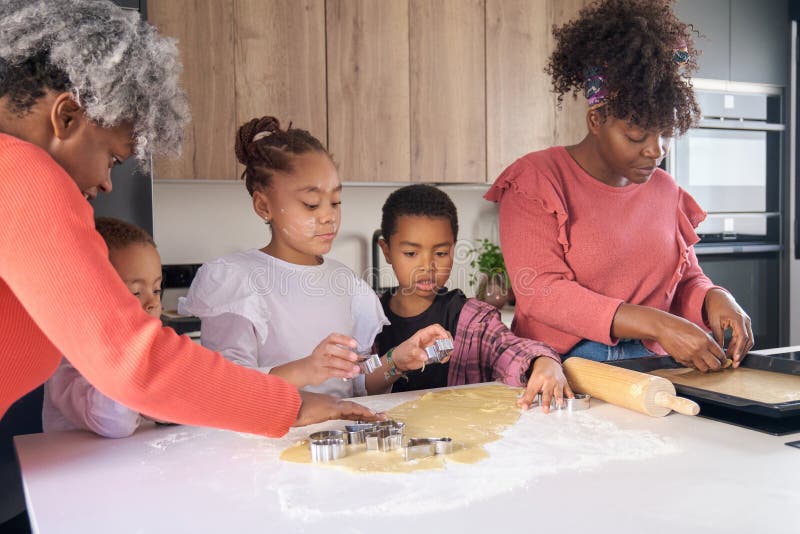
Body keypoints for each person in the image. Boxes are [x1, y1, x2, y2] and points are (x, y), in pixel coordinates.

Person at [0, 0, 382, 436]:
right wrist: (287, 405)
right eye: (113, 158)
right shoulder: (23, 174)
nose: (107, 183)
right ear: (66, 117)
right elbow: (134, 364)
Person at [484, 0, 753, 373]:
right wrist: (658, 323)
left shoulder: (664, 190)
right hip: (558, 370)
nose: (655, 150)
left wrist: (715, 298)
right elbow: (542, 293)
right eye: (637, 135)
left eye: (666, 133)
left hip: (651, 366)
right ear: (596, 119)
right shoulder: (538, 180)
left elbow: (685, 275)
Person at [179, 117, 448, 398]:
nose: (328, 216)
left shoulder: (344, 282)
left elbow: (355, 383)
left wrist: (397, 361)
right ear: (263, 206)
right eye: (311, 204)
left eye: (335, 202)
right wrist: (307, 369)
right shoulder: (235, 279)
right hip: (268, 442)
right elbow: (227, 389)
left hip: (336, 437)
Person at [373, 184, 572, 411]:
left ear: (453, 250)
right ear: (386, 250)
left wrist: (543, 362)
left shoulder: (475, 321)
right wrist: (394, 361)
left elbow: (510, 350)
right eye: (411, 253)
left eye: (440, 253)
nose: (427, 267)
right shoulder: (368, 318)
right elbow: (359, 380)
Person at [43, 218, 168, 438]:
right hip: (77, 469)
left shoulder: (143, 346)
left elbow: (170, 410)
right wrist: (136, 345)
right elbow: (115, 422)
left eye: (156, 290)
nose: (153, 303)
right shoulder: (70, 358)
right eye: (135, 293)